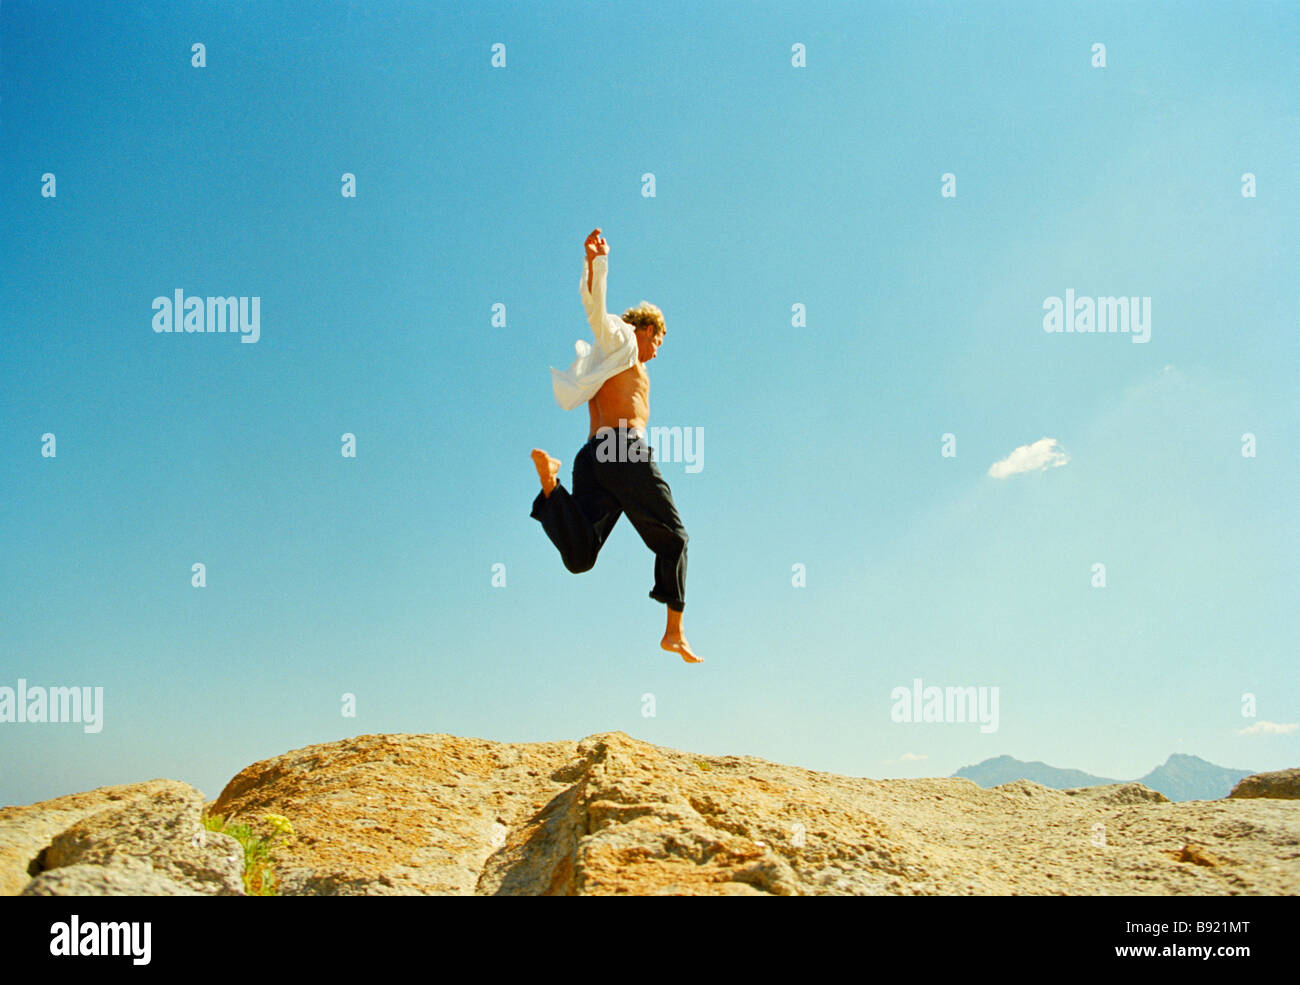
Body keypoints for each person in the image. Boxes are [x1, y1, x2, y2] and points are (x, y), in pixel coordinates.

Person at [529, 228, 701, 663]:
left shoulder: (614, 360)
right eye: (657, 340)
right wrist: (596, 263)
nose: (657, 352)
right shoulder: (622, 341)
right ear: (643, 328)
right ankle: (674, 632)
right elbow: (596, 309)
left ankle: (552, 488)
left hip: (593, 459)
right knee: (675, 538)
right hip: (623, 452)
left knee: (581, 555)